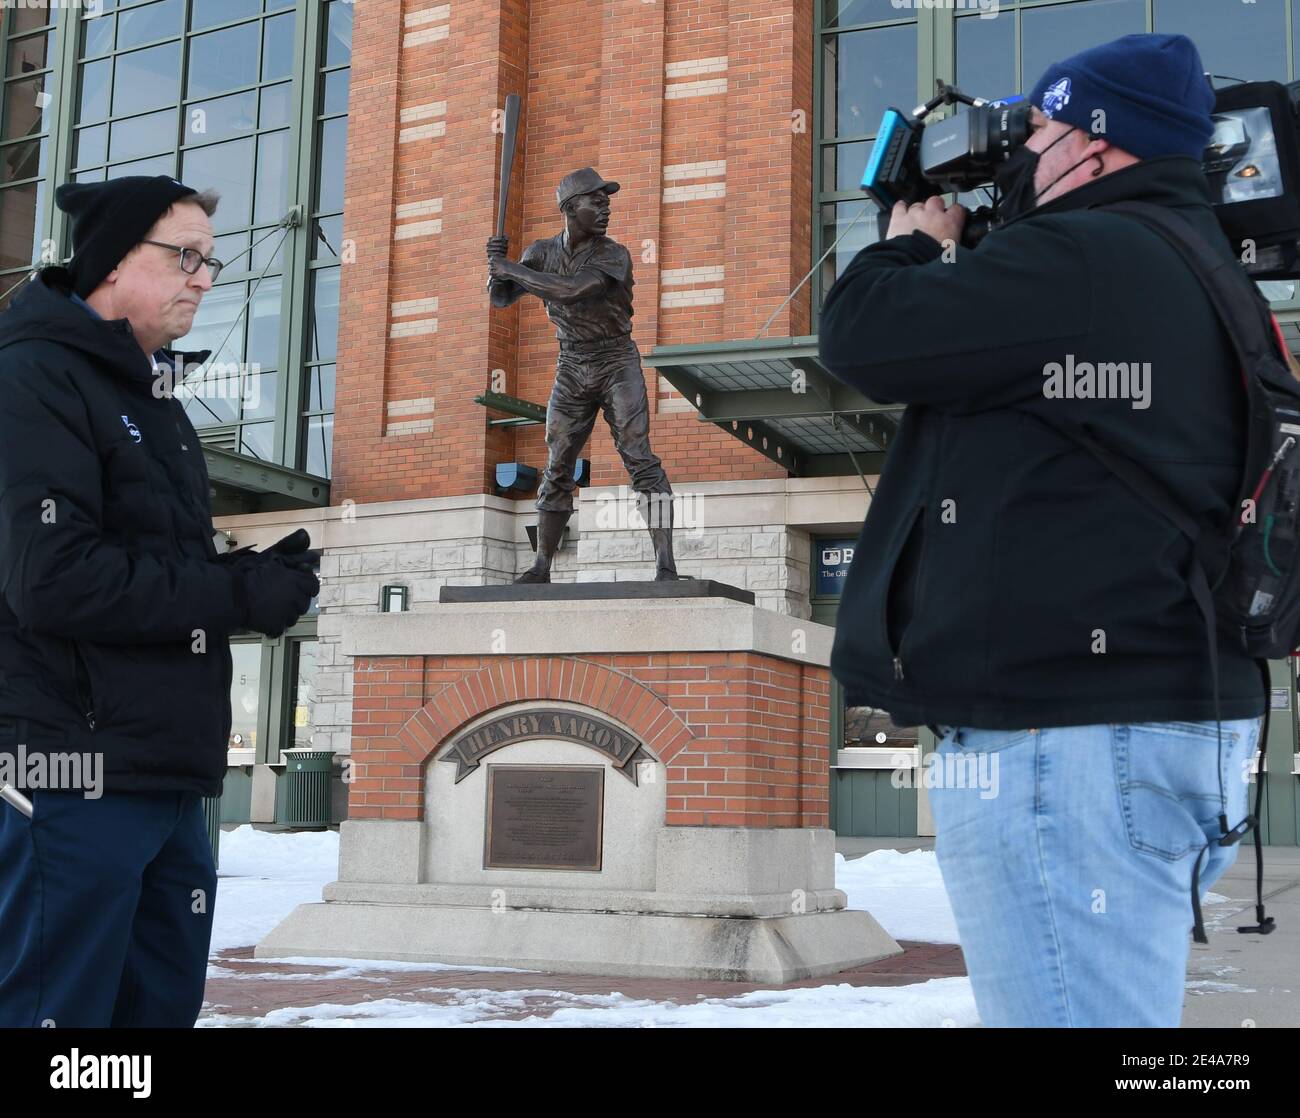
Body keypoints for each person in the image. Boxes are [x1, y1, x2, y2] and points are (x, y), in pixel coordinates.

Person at [818, 34, 1267, 1027]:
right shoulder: (1189, 264)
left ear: (1097, 150)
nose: (1014, 150)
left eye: (1033, 130)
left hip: (1070, 747)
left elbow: (863, 334)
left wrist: (907, 240)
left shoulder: (1086, 257)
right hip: (1149, 725)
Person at [0, 175, 319, 1028]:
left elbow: (144, 564)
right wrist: (234, 593)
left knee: (147, 1027)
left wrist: (247, 575)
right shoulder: (34, 377)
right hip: (70, 779)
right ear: (109, 264)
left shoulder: (155, 398)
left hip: (168, 780)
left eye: (210, 261)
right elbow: (53, 577)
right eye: (184, 256)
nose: (204, 278)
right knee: (61, 1023)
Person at [486, 167, 682, 582]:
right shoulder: (541, 252)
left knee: (640, 459)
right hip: (572, 364)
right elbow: (502, 299)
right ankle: (541, 565)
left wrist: (512, 268)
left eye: (607, 200)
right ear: (571, 208)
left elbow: (572, 290)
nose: (606, 208)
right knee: (557, 464)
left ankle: (666, 564)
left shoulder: (615, 254)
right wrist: (495, 268)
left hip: (616, 361)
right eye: (598, 201)